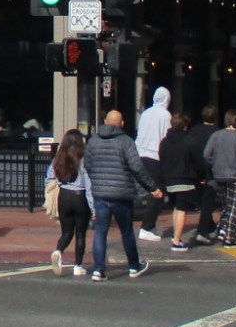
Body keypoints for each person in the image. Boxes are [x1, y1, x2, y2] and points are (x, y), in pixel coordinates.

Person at [84, 109, 162, 281]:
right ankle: (134, 266)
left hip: (101, 193)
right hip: (122, 193)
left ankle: (98, 270)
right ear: (122, 123)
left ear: (105, 121)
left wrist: (97, 180)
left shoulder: (93, 141)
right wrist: (152, 187)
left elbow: (88, 165)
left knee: (100, 232)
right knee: (126, 232)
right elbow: (137, 167)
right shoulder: (126, 141)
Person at [45, 129, 93, 276]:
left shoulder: (58, 159)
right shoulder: (83, 158)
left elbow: (49, 179)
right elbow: (89, 183)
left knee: (66, 232)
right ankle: (78, 265)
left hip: (63, 196)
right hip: (80, 196)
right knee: (80, 233)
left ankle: (58, 250)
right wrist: (93, 207)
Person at [204, 109, 236, 246]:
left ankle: (223, 229)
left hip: (219, 173)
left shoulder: (216, 135)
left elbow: (206, 154)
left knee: (225, 204)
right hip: (235, 175)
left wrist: (214, 164)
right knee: (234, 207)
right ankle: (229, 238)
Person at [158, 109, 205, 253]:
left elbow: (162, 158)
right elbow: (199, 162)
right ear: (185, 126)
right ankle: (177, 241)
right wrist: (201, 177)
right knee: (182, 210)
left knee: (176, 208)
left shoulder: (164, 142)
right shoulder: (190, 141)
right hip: (185, 178)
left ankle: (175, 236)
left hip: (169, 179)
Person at [133, 85, 173, 242]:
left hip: (141, 153)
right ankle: (146, 227)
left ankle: (151, 225)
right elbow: (166, 137)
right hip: (155, 156)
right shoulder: (165, 115)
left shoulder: (146, 113)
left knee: (152, 191)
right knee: (158, 193)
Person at [182, 104, 222, 243]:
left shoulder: (193, 131)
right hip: (210, 171)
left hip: (194, 171)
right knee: (207, 204)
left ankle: (210, 227)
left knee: (202, 202)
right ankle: (203, 231)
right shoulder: (217, 133)